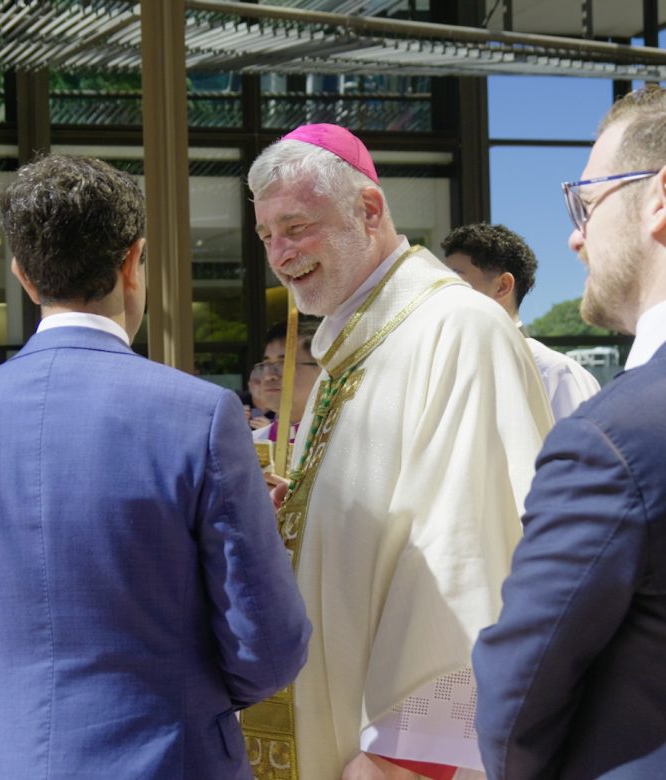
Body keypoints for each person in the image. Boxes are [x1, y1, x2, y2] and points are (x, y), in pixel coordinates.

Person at [0, 154, 311, 780]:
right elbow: (267, 648)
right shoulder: (201, 415)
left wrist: (8, 685)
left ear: (23, 276)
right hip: (168, 754)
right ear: (134, 261)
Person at [241, 123, 553, 780]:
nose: (279, 252)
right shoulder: (354, 346)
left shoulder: (458, 331)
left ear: (370, 210)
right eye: (268, 235)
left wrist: (405, 754)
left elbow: (471, 556)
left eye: (297, 227)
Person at [472, 85, 666, 779]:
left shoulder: (617, 438)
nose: (574, 235)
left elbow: (516, 697)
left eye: (585, 201)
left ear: (661, 198)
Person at [441, 223, 600, 420]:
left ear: (503, 286)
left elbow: (582, 449)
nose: (442, 291)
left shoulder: (554, 373)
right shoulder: (449, 371)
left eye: (454, 279)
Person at [251, 320, 321, 445]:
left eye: (284, 364)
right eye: (266, 364)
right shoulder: (249, 445)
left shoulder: (343, 443)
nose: (268, 376)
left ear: (322, 370)